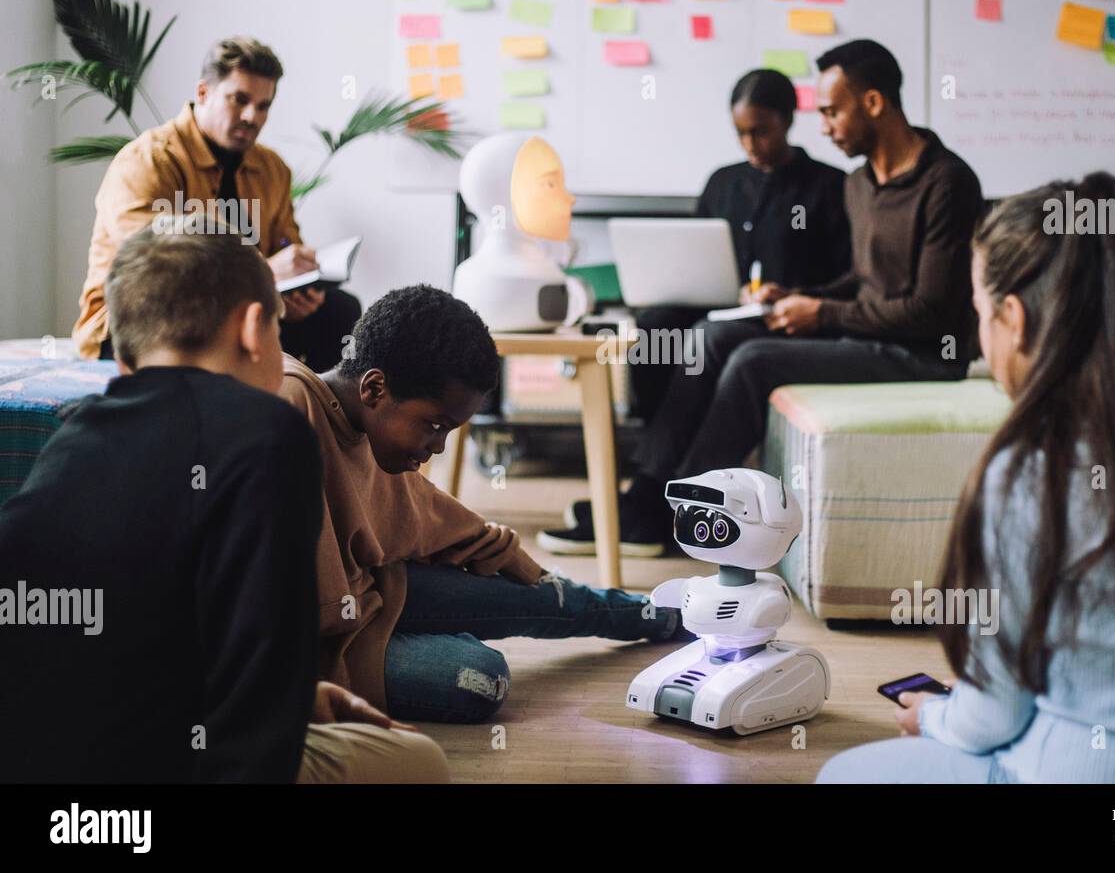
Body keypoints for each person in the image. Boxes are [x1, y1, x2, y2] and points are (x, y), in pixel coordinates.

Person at [818, 174, 1115, 783]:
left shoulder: (1030, 468)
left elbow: (992, 721)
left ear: (1014, 319)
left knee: (844, 775)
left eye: (980, 311)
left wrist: (933, 715)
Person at [0, 217, 446, 783]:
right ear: (253, 328)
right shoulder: (270, 432)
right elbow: (262, 657)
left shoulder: (69, 438)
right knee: (421, 762)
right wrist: (287, 708)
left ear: (127, 355)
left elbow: (138, 633)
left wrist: (302, 700)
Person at [540, 39, 984, 557]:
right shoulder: (862, 183)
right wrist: (796, 296)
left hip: (921, 352)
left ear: (873, 102)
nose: (825, 127)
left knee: (752, 361)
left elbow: (930, 312)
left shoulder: (947, 182)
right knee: (711, 336)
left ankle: (676, 512)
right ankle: (647, 492)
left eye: (832, 112)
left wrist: (821, 312)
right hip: (868, 330)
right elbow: (862, 281)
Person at [279, 284, 692, 725]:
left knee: (546, 595)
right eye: (435, 425)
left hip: (378, 592)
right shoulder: (286, 407)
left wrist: (515, 565)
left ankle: (675, 619)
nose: (439, 446)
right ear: (375, 388)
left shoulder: (367, 427)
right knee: (481, 676)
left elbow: (426, 512)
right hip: (317, 647)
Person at [72, 36, 361, 372]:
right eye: (239, 100)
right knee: (199, 323)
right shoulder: (147, 161)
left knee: (339, 310)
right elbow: (155, 271)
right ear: (203, 93)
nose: (252, 116)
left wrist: (299, 292)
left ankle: (308, 406)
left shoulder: (272, 169)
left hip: (239, 309)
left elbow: (286, 244)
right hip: (147, 314)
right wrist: (265, 273)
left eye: (263, 106)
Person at [630, 68, 850, 420]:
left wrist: (791, 293)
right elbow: (694, 260)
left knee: (709, 337)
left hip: (781, 316)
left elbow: (846, 275)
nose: (750, 144)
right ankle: (653, 427)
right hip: (721, 306)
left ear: (787, 120)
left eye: (760, 132)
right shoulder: (722, 183)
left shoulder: (829, 186)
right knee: (655, 328)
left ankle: (667, 446)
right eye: (741, 133)